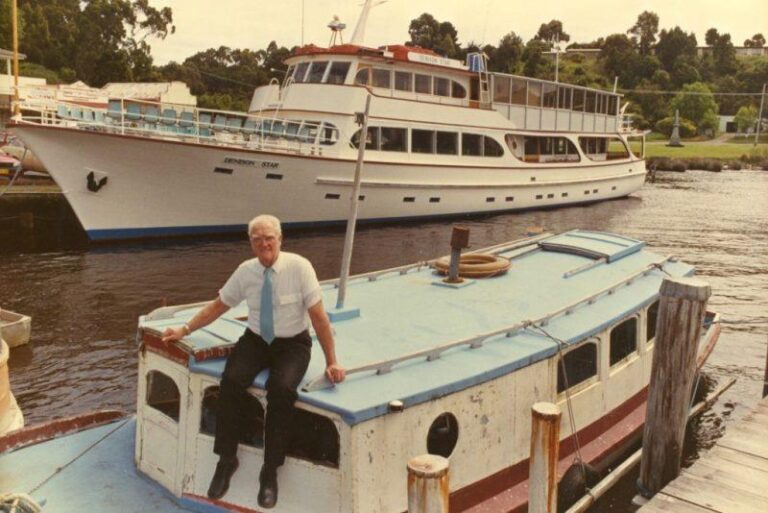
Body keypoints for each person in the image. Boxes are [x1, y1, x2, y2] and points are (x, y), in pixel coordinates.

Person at [162, 214, 345, 508]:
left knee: (282, 389)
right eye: (257, 239)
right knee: (231, 382)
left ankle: (270, 470)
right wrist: (184, 329)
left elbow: (319, 319)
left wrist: (332, 362)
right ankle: (227, 458)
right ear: (250, 243)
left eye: (269, 238)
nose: (264, 244)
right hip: (257, 340)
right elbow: (218, 306)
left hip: (293, 344)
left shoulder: (300, 268)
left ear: (280, 239)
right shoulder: (245, 271)